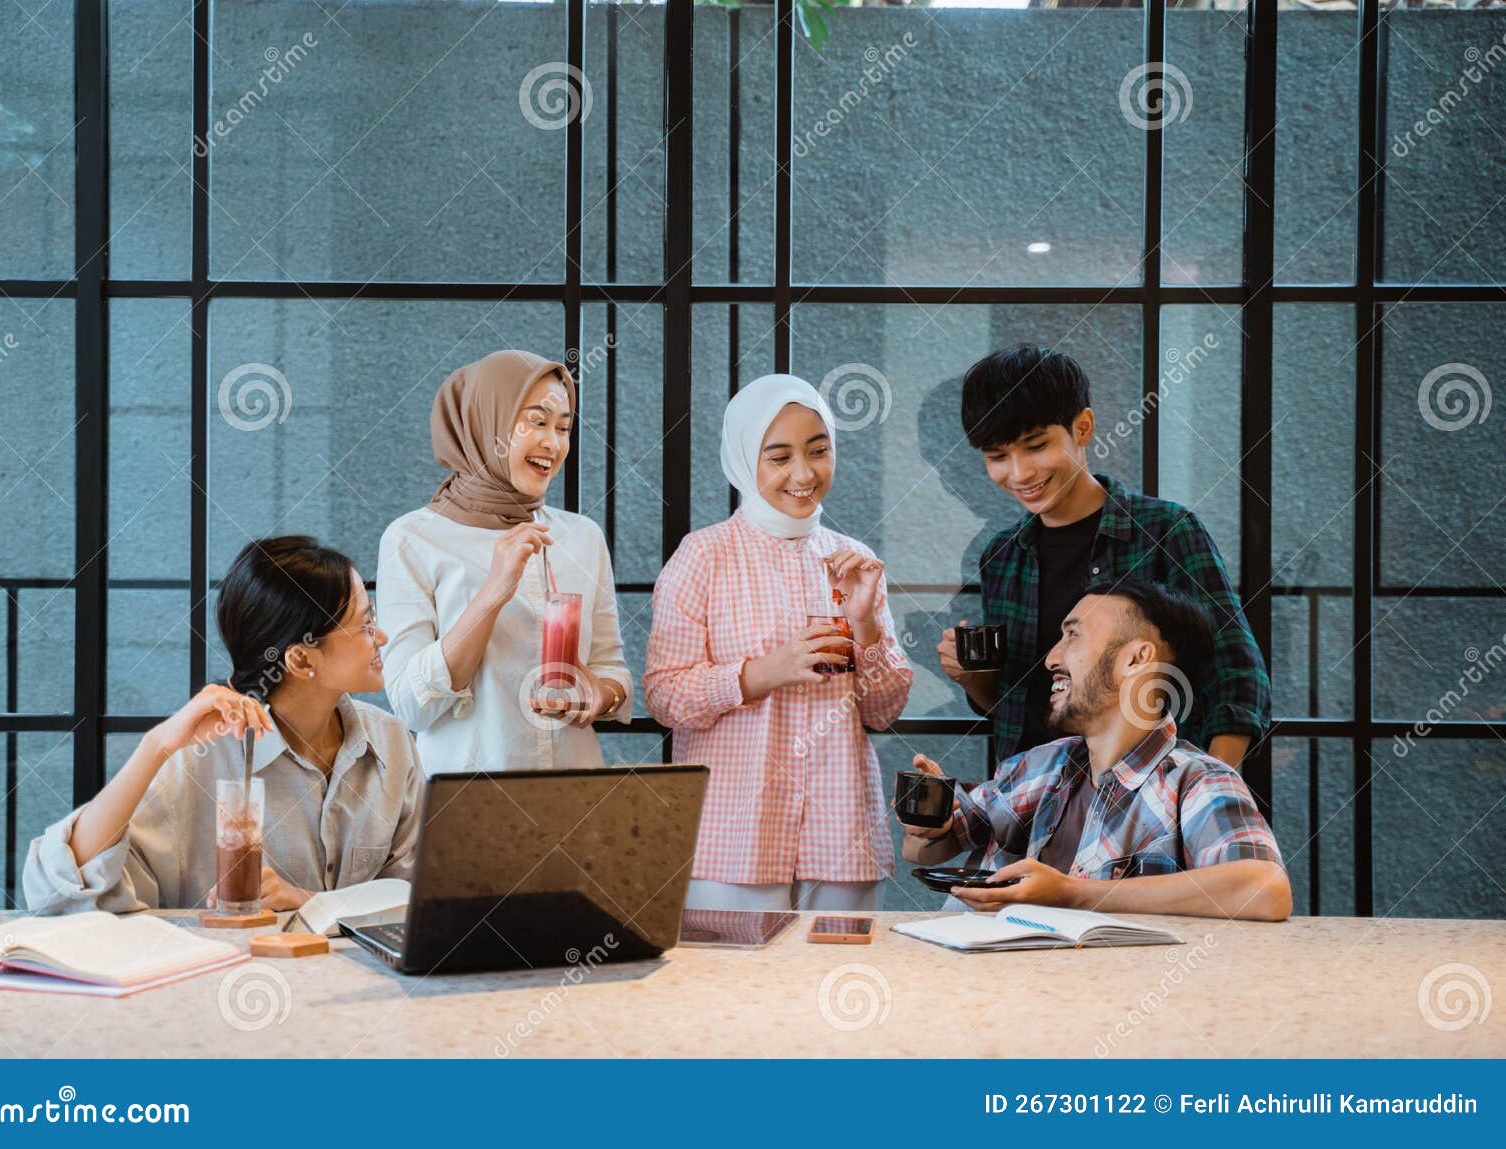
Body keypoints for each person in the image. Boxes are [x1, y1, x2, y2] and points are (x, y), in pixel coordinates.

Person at [24, 536, 423, 915]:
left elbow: (423, 894)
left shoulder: (390, 741)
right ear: (301, 661)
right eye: (366, 624)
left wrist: (308, 900)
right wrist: (155, 745)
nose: (382, 637)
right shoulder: (203, 759)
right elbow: (53, 894)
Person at [646, 373, 912, 912]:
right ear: (746, 460)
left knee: (835, 983)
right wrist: (766, 670)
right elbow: (663, 697)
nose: (803, 474)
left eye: (819, 451)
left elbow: (884, 711)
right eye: (779, 457)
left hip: (840, 836)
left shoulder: (854, 560)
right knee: (734, 996)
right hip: (733, 838)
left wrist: (864, 625)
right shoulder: (703, 557)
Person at [942, 345, 1269, 770]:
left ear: (1083, 427)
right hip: (1034, 803)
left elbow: (1238, 675)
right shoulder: (1001, 556)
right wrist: (974, 679)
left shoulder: (1166, 531)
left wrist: (1205, 792)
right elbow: (1013, 708)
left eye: (1036, 446)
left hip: (1146, 800)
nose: (1020, 473)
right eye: (998, 457)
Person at [907, 578, 1290, 922]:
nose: (1051, 659)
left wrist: (1070, 894)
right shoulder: (1043, 765)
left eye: (1073, 636)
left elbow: (1266, 889)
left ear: (1135, 659)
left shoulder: (1195, 780)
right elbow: (923, 851)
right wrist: (930, 817)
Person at [378, 349, 631, 775]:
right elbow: (410, 705)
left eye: (563, 427)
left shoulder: (581, 537)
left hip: (575, 793)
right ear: (486, 424)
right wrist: (494, 591)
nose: (553, 443)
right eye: (536, 422)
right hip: (465, 802)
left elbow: (611, 666)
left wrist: (602, 695)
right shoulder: (412, 539)